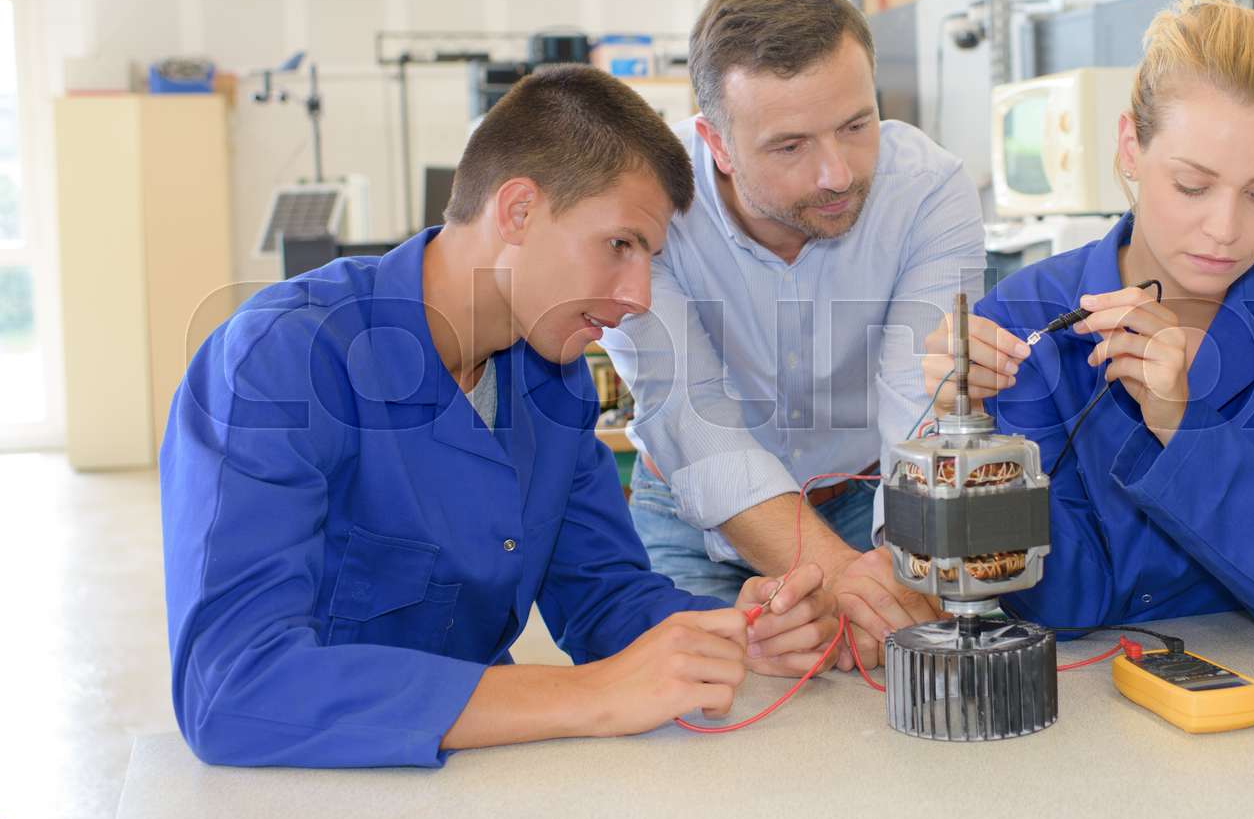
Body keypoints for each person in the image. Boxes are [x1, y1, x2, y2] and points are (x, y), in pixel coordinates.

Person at [161, 65, 835, 769]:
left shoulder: (552, 382)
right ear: (517, 211)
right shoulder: (279, 363)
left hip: (479, 793)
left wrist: (730, 631)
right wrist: (589, 696)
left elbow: (603, 598)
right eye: (619, 246)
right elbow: (233, 689)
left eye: (650, 257)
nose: (637, 296)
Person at [921, 0, 1254, 643]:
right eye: (1192, 186)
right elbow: (1061, 600)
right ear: (1129, 149)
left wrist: (1183, 423)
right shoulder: (1023, 319)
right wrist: (968, 440)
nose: (1225, 230)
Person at [600, 0, 988, 668]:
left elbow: (919, 403)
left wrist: (896, 572)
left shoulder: (930, 192)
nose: (837, 172)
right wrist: (844, 581)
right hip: (689, 515)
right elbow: (694, 417)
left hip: (867, 501)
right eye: (790, 146)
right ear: (715, 142)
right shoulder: (642, 201)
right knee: (691, 727)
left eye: (855, 124)